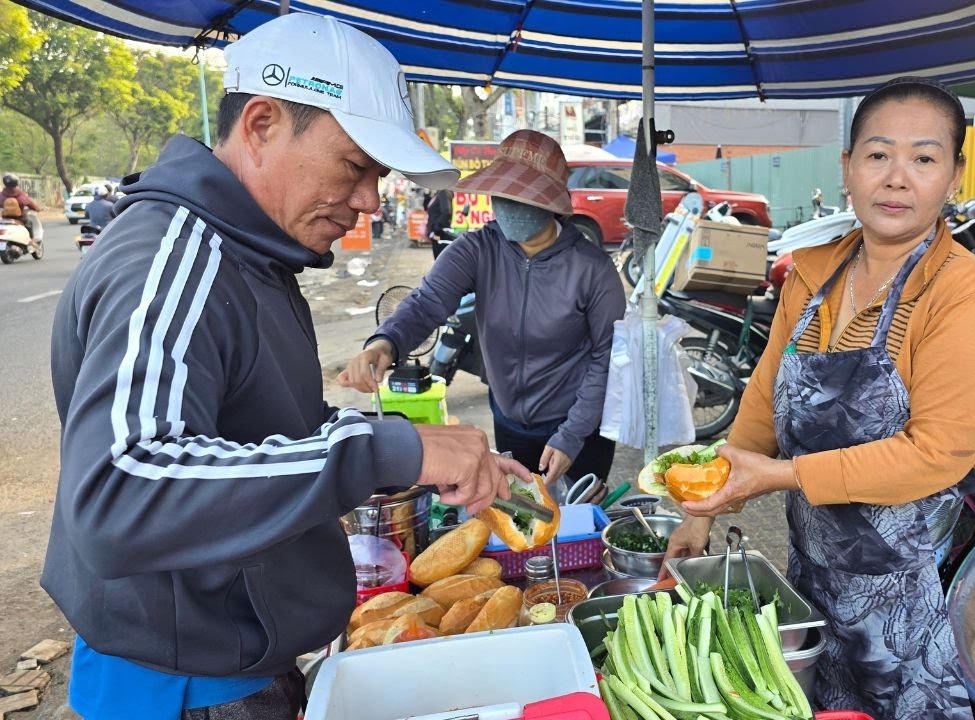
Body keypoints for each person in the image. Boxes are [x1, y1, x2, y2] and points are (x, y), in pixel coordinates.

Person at [45, 14, 524, 720]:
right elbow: (120, 488)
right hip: (184, 686)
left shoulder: (252, 257)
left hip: (237, 661)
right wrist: (380, 450)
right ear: (263, 125)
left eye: (378, 176)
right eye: (354, 166)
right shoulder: (173, 260)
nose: (368, 200)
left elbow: (257, 427)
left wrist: (406, 453)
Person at [661, 77, 975, 718]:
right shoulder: (812, 274)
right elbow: (763, 400)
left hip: (921, 600)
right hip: (819, 580)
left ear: (954, 175)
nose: (897, 179)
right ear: (848, 167)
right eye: (878, 154)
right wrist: (704, 508)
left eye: (924, 158)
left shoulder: (967, 296)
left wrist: (780, 475)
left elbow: (938, 454)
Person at [340, 129, 626, 489]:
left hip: (580, 429)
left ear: (550, 201)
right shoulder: (477, 249)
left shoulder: (592, 268)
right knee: (521, 515)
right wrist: (385, 343)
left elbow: (607, 358)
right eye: (502, 194)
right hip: (509, 421)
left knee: (576, 518)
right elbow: (426, 303)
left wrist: (572, 434)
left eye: (522, 195)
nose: (509, 203)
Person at [2, 173, 43, 242]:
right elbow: (30, 203)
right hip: (20, 218)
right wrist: (38, 209)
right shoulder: (20, 194)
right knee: (29, 224)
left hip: (5, 218)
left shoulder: (1, 195)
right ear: (16, 183)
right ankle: (31, 241)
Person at [426, 185, 454, 258]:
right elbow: (427, 208)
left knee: (441, 260)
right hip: (436, 233)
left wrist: (436, 229)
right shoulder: (437, 193)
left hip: (440, 234)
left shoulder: (444, 192)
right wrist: (427, 194)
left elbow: (446, 212)